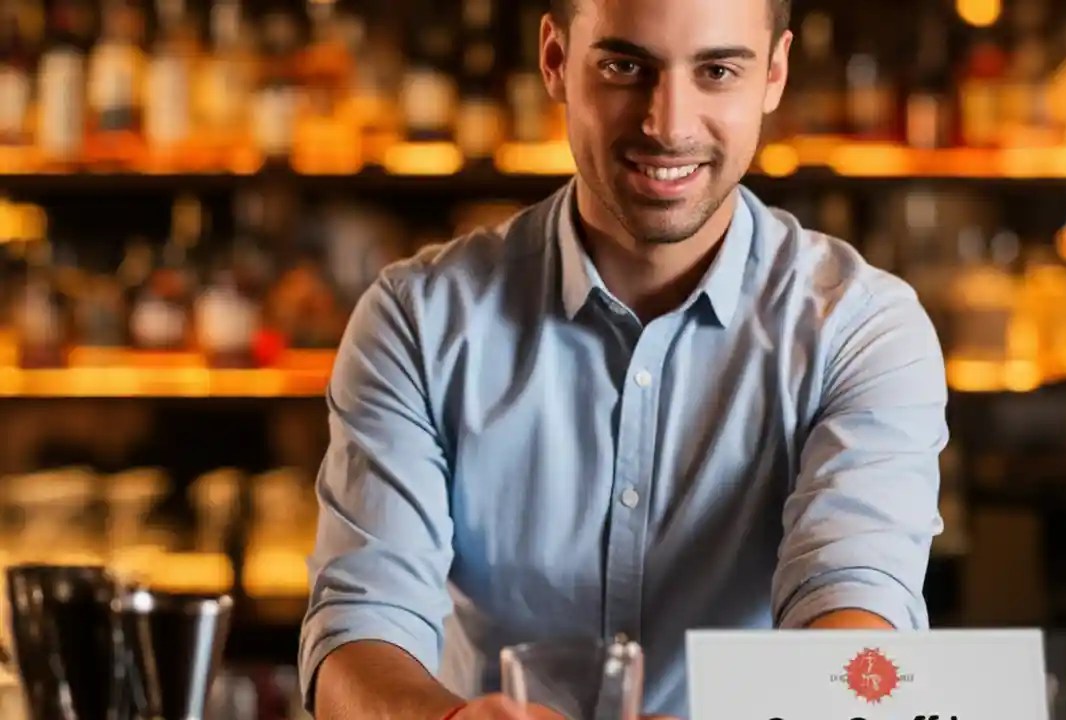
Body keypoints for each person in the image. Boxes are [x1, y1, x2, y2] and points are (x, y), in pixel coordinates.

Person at [301, 0, 949, 717]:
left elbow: (858, 606)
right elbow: (360, 628)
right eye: (624, 66)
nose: (667, 124)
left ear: (774, 74)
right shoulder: (418, 319)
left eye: (717, 71)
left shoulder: (860, 329)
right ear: (554, 61)